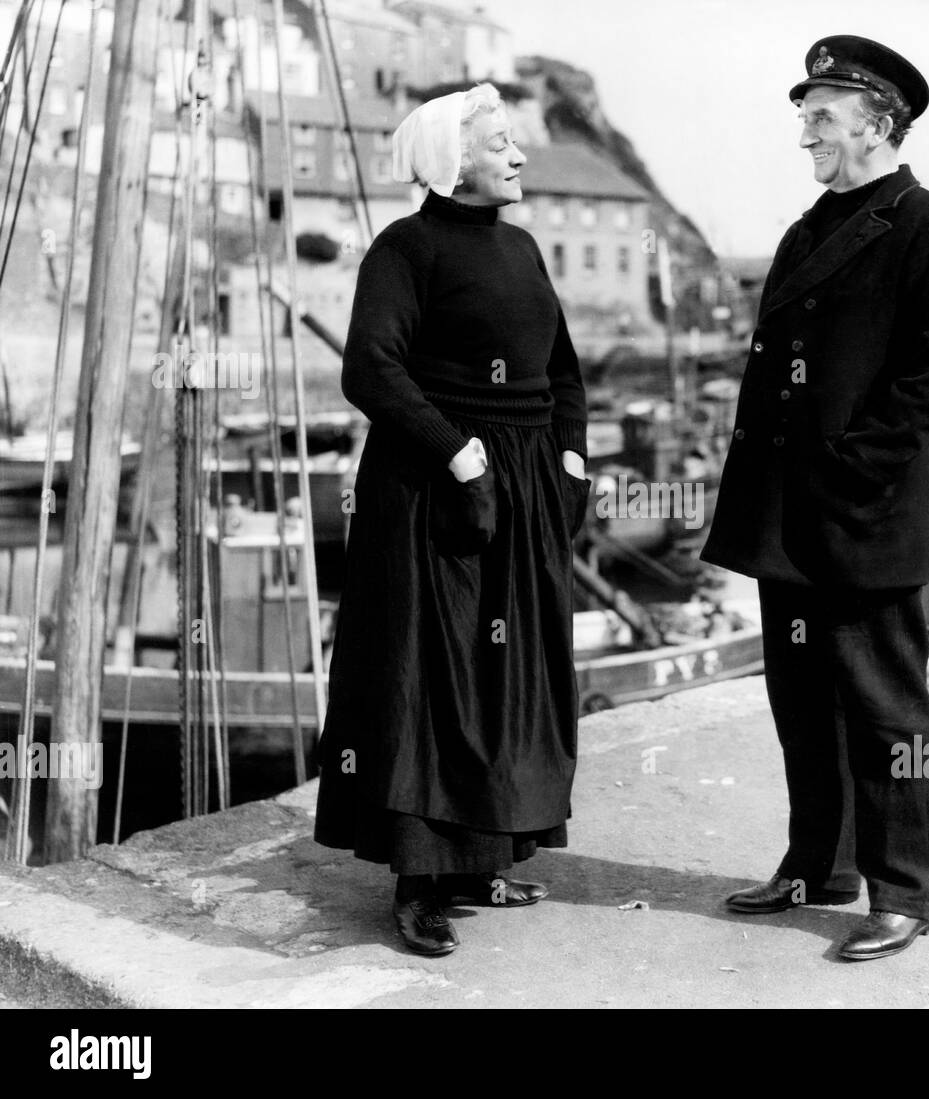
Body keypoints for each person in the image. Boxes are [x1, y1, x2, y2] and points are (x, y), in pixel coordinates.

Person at [700, 36, 929, 961]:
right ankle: (815, 864)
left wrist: (850, 465)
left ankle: (904, 890)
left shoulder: (928, 225)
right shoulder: (807, 228)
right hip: (788, 518)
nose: (804, 135)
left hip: (865, 514)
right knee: (801, 695)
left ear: (877, 122)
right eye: (804, 116)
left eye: (820, 116)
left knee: (887, 706)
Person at [313, 84, 590, 957]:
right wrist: (455, 450)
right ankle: (419, 880)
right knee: (434, 679)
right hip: (436, 491)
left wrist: (573, 456)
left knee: (508, 680)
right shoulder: (406, 249)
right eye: (501, 144)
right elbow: (372, 369)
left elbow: (564, 368)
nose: (517, 157)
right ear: (452, 163)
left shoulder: (524, 249)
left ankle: (484, 855)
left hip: (526, 485)